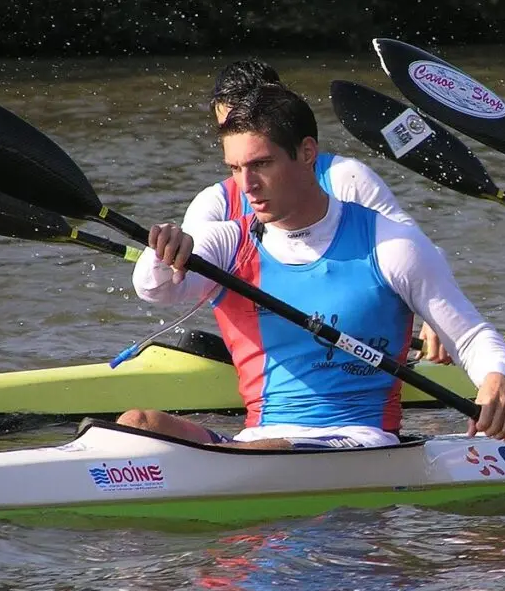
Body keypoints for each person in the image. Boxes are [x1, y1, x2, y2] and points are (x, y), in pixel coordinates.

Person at [119, 84, 505, 448]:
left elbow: (471, 337)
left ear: (307, 153)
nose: (247, 185)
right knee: (135, 423)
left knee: (263, 453)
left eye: (261, 164)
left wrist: (497, 380)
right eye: (234, 169)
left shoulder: (389, 243)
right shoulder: (229, 242)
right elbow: (154, 289)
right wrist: (164, 250)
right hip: (257, 439)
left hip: (360, 438)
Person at [184, 59, 451, 363]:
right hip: (264, 355)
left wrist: (435, 318)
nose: (241, 138)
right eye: (229, 128)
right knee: (191, 344)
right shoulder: (213, 202)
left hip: (351, 352)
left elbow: (418, 250)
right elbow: (174, 285)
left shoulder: (344, 177)